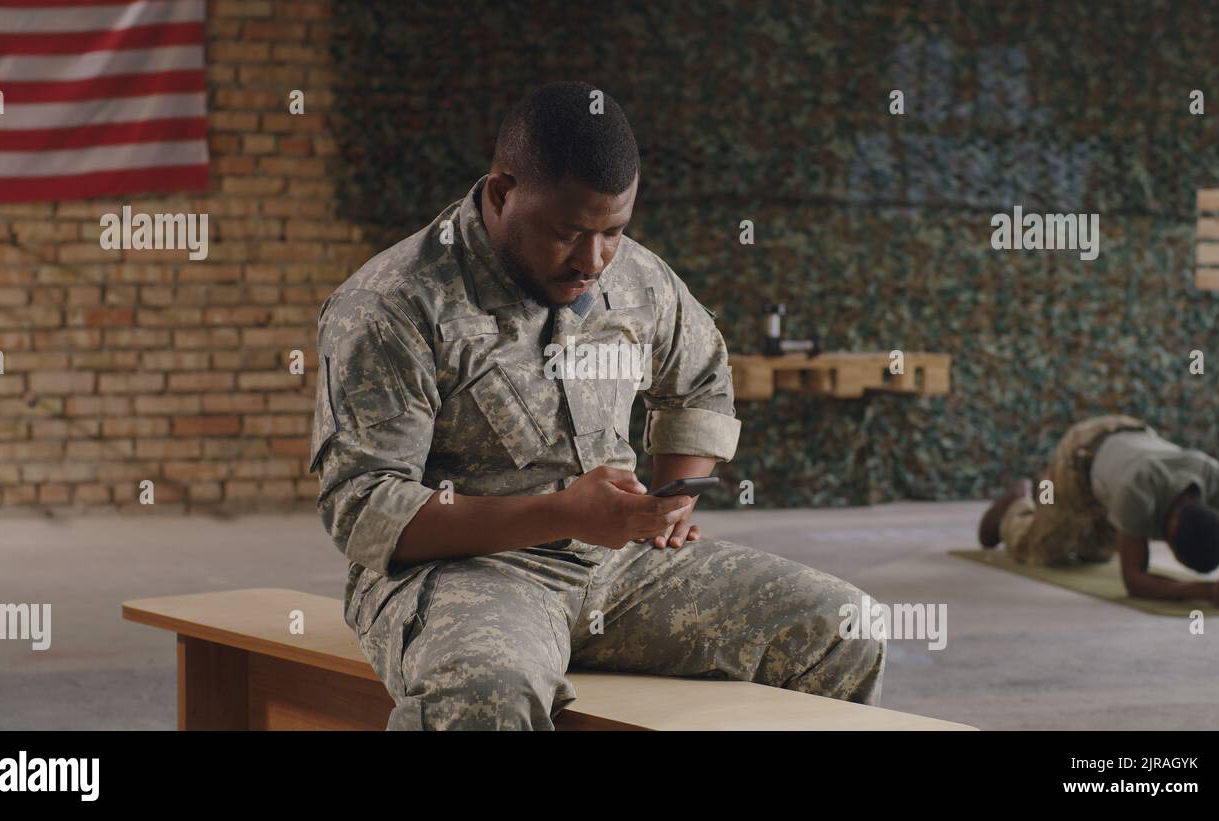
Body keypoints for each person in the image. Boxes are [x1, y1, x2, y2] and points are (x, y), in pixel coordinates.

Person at [309, 81, 885, 729]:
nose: (593, 259)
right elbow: (367, 514)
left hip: (620, 566)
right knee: (486, 691)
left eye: (613, 231)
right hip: (457, 578)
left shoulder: (636, 277)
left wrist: (673, 498)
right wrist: (563, 512)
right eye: (567, 232)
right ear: (502, 192)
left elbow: (698, 378)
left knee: (843, 626)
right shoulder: (395, 303)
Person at [978, 414, 1219, 608]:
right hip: (1081, 454)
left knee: (1094, 554)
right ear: (1170, 530)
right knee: (1044, 550)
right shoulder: (1138, 490)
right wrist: (1206, 592)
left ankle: (1048, 494)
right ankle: (1021, 498)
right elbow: (1134, 581)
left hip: (1130, 441)